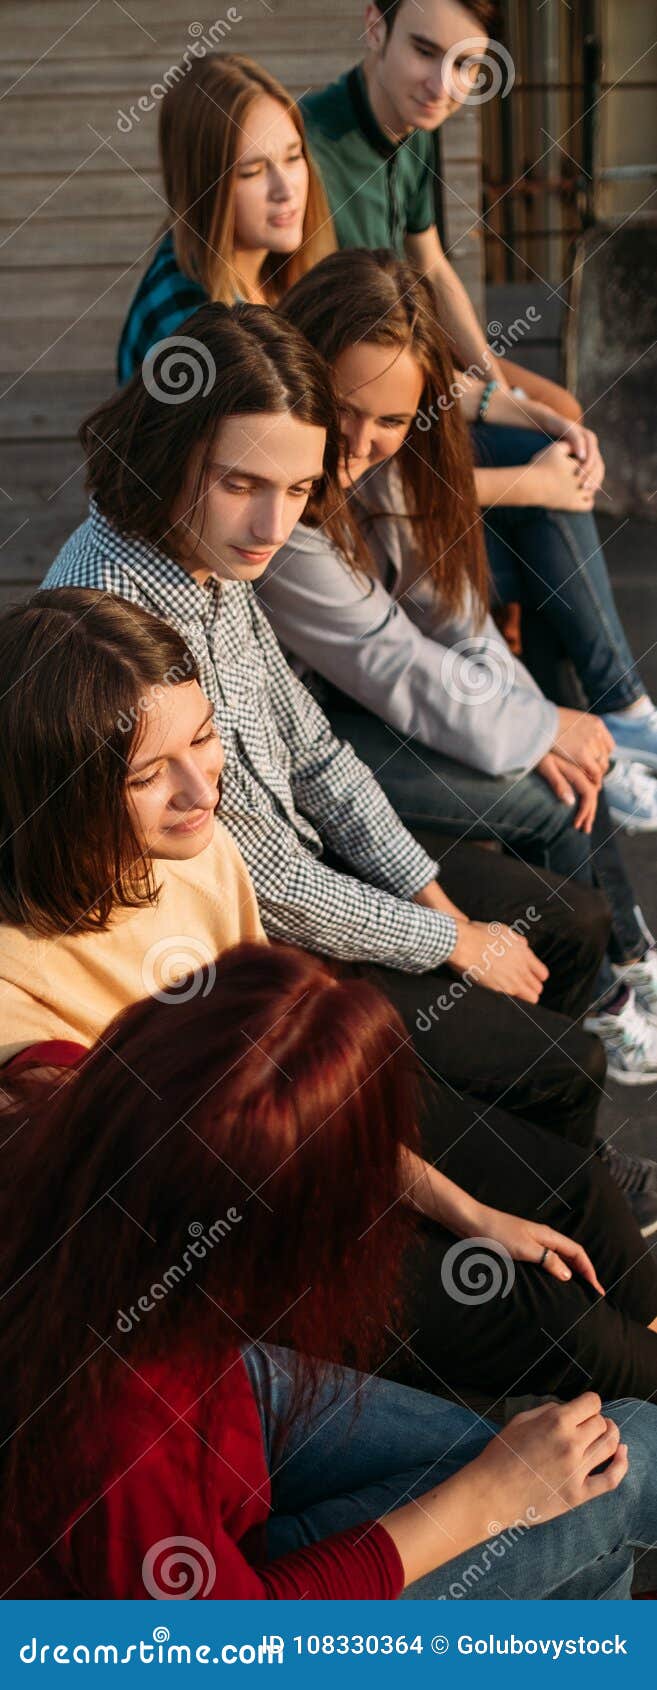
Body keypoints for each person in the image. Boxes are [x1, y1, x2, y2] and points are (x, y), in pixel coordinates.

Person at [2, 592, 656, 1410]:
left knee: (576, 1195)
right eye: (145, 774)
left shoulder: (194, 854)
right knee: (565, 1327)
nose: (199, 788)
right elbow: (178, 1211)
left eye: (203, 738)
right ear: (56, 792)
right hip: (239, 1254)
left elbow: (289, 1086)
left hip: (314, 1144)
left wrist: (463, 1207)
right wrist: (446, 1213)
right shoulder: (18, 998)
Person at [42, 302, 614, 1154]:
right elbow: (263, 884)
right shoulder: (121, 608)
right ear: (170, 447)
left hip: (308, 867)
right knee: (562, 1061)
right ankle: (538, 1176)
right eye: (243, 484)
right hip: (241, 955)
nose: (274, 526)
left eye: (299, 489)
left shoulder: (207, 549)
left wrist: (433, 899)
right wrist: (451, 941)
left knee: (570, 925)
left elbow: (313, 748)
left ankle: (538, 1160)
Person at [2, 942, 657, 1600]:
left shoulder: (62, 1107)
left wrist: (469, 1213)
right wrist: (483, 1498)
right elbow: (228, 1652)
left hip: (227, 1386)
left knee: (577, 1496)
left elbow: (245, 1107)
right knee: (612, 1464)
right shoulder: (113, 1441)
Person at [268, 248, 657, 1086]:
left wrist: (541, 725)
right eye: (343, 410)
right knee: (551, 804)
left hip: (353, 703)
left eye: (387, 422)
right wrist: (541, 727)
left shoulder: (390, 459)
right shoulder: (284, 505)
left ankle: (612, 975)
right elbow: (396, 664)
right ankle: (596, 1005)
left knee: (556, 765)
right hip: (302, 743)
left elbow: (451, 612)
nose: (359, 443)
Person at [299, 0, 578, 419]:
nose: (442, 87)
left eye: (465, 65)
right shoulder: (306, 149)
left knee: (561, 409)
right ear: (375, 27)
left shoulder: (416, 128)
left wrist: (497, 384)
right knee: (545, 446)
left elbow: (431, 264)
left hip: (407, 346)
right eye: (425, 52)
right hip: (348, 383)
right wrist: (490, 402)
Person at [117, 53, 333, 383]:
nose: (286, 190)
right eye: (253, 171)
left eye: (293, 156)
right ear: (203, 185)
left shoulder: (271, 271)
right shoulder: (193, 328)